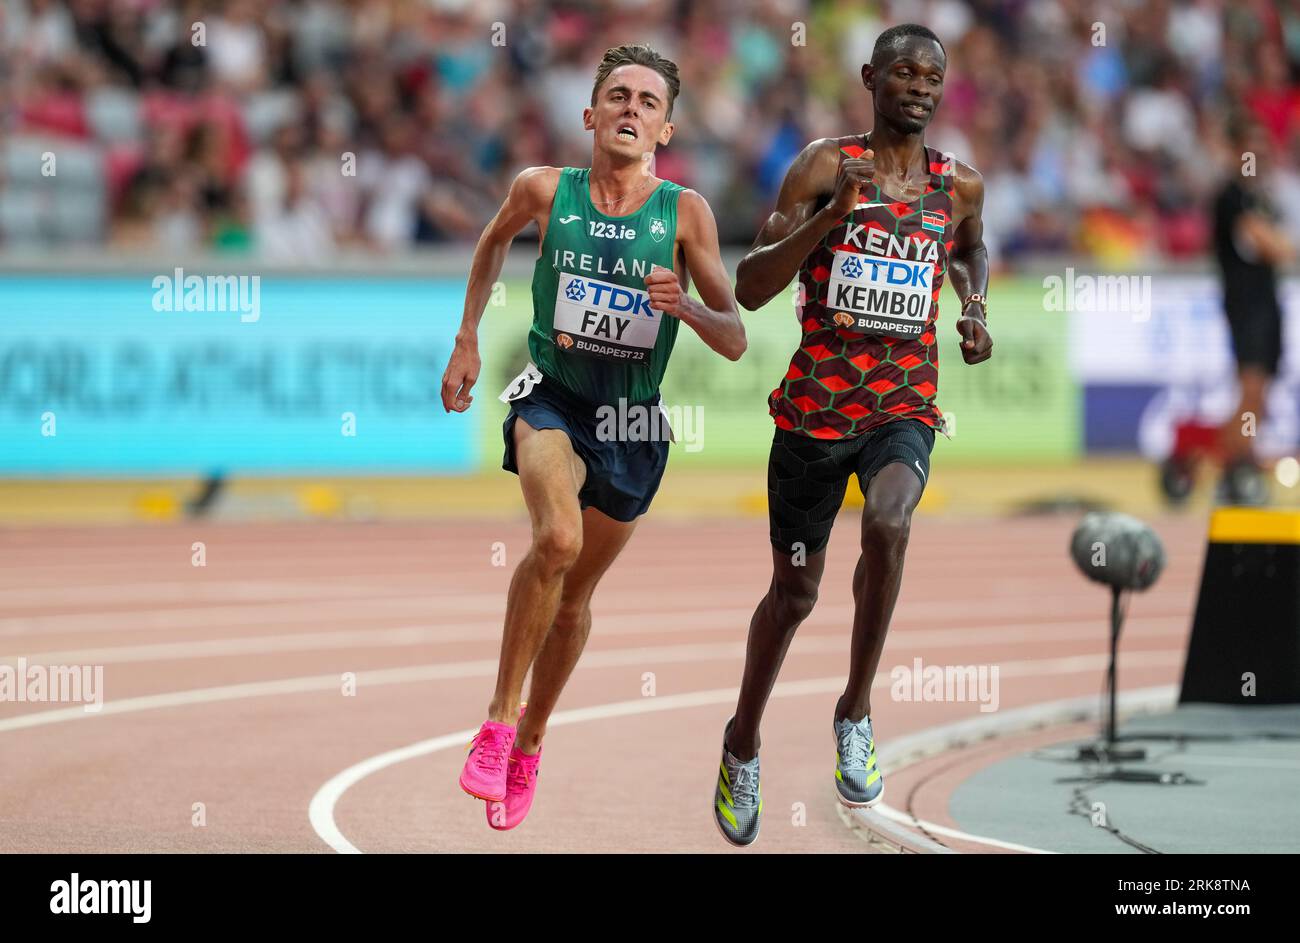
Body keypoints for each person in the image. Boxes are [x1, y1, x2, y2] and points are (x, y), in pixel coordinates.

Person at [441, 44, 745, 832]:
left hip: (635, 423)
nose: (631, 109)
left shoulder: (685, 214)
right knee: (556, 542)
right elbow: (490, 242)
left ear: (665, 129)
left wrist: (687, 308)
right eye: (618, 95)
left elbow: (735, 337)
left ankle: (533, 740)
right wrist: (467, 339)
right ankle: (498, 721)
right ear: (590, 114)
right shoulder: (544, 190)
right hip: (554, 398)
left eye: (648, 101)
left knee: (574, 597)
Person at [712, 24, 992, 846]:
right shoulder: (824, 166)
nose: (918, 86)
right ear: (870, 77)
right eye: (902, 71)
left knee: (890, 521)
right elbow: (752, 285)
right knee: (794, 595)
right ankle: (741, 741)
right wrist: (830, 218)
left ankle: (855, 711)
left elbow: (971, 253)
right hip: (813, 411)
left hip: (902, 400)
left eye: (931, 76)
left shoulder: (961, 185)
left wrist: (973, 309)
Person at [1211, 119, 1294, 505]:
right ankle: (1233, 470)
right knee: (1251, 389)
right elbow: (1269, 244)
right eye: (1251, 147)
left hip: (1266, 303)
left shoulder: (1261, 197)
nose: (1257, 154)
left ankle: (1237, 465)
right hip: (1247, 307)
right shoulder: (1231, 197)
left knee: (1259, 395)